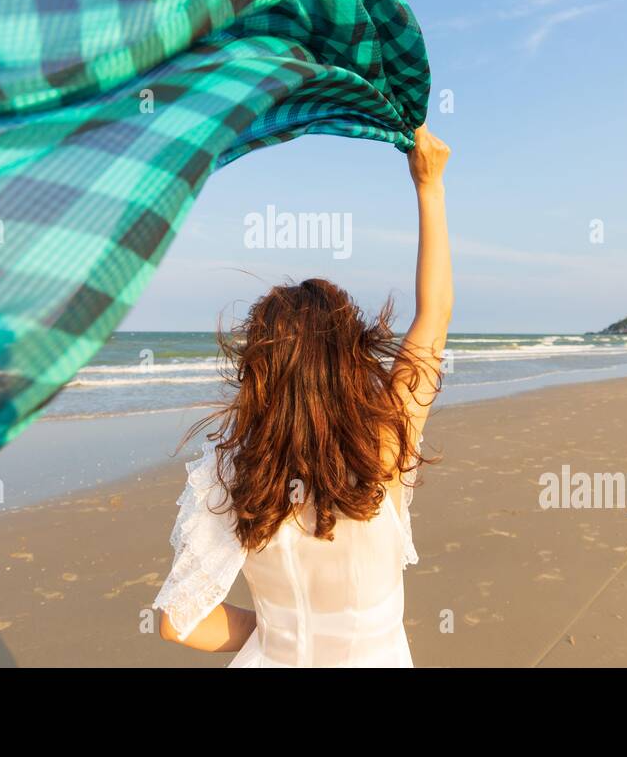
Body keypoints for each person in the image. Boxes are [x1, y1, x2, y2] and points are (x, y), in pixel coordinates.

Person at [152, 125, 452, 666]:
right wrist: (429, 186)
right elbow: (433, 318)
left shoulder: (234, 476)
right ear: (347, 361)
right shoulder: (384, 446)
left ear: (260, 372)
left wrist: (274, 637)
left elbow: (179, 623)